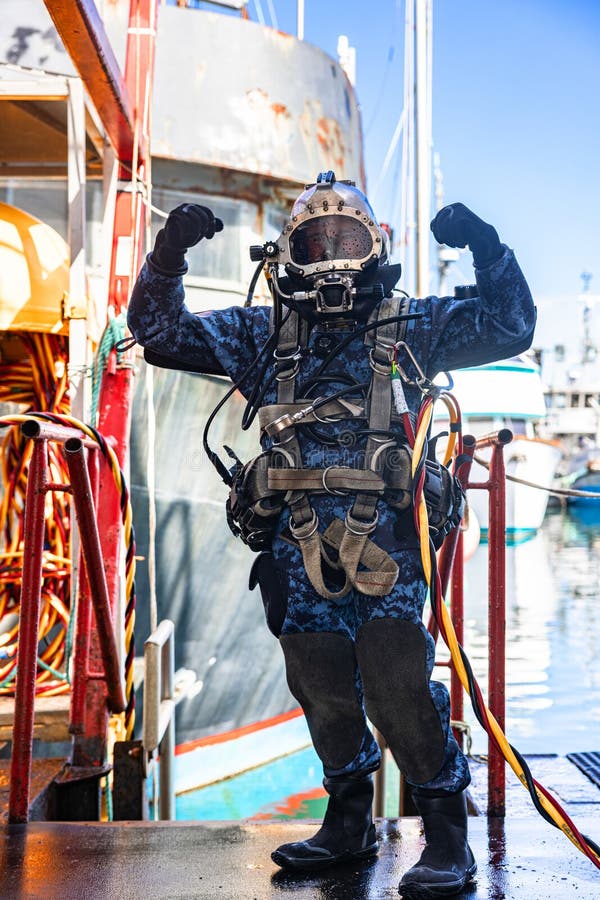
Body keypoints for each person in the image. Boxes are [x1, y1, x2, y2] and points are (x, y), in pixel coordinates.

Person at [128, 173, 535, 898]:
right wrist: (168, 256)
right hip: (295, 541)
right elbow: (160, 337)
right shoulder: (263, 331)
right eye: (316, 241)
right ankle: (348, 822)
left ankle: (446, 830)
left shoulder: (411, 323)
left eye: (347, 238)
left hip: (390, 548)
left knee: (395, 679)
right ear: (288, 252)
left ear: (374, 245)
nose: (332, 255)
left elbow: (512, 325)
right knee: (318, 682)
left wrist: (486, 247)